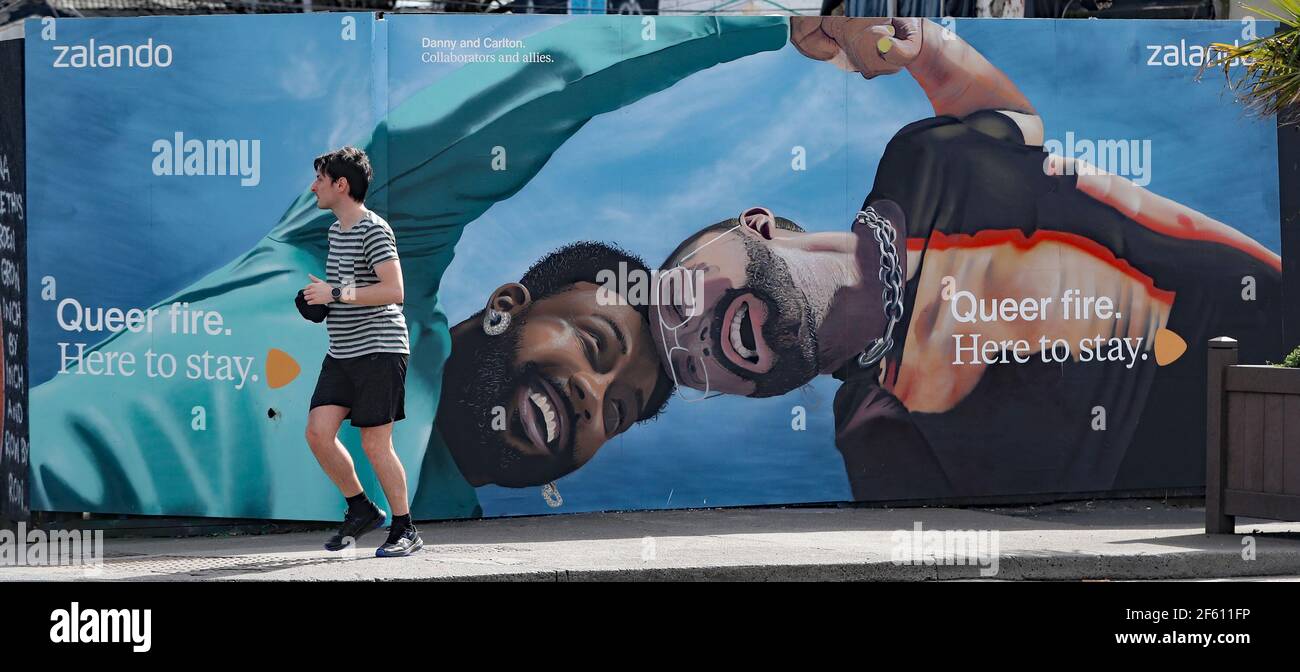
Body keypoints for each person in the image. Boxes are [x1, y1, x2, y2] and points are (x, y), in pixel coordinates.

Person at [653, 17, 1283, 500]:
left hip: (1279, 323)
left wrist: (922, 45)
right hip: (1253, 460)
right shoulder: (875, 432)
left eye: (684, 297)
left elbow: (1010, 123)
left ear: (757, 226)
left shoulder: (917, 161)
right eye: (691, 369)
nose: (695, 342)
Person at [296, 147, 422, 556]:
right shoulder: (335, 232)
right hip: (342, 351)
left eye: (319, 179)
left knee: (375, 444)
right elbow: (351, 292)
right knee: (318, 434)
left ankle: (406, 529)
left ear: (341, 185)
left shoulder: (374, 229)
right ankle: (361, 508)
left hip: (380, 349)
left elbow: (393, 291)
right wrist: (319, 302)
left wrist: (334, 292)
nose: (314, 186)